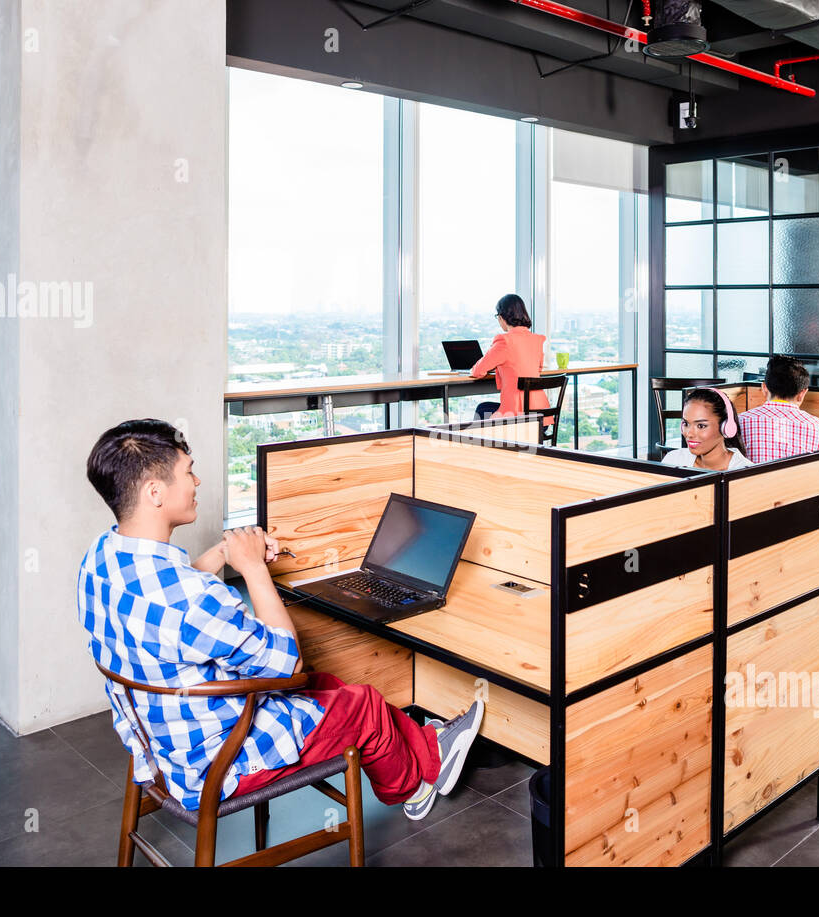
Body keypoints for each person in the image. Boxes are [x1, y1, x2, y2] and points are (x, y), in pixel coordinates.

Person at [76, 419, 483, 823]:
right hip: (215, 766)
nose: (197, 482)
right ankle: (416, 781)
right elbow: (287, 662)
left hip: (160, 746)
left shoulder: (102, 558)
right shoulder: (196, 601)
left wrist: (225, 551)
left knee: (328, 686)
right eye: (188, 472)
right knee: (364, 706)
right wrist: (254, 569)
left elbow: (170, 606)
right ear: (155, 492)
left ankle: (427, 746)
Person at [738, 355, 819, 491]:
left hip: (749, 507)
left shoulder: (740, 422)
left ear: (764, 388)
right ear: (802, 393)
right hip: (803, 510)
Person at [469, 293, 550, 424]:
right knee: (485, 408)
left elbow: (477, 371)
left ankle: (481, 445)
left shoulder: (504, 341)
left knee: (482, 410)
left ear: (501, 317)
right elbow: (538, 369)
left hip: (518, 418)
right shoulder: (537, 339)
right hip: (541, 417)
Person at [660, 387, 754, 471]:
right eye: (686, 423)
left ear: (726, 427)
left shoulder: (745, 473)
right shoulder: (673, 460)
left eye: (701, 426)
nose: (689, 434)